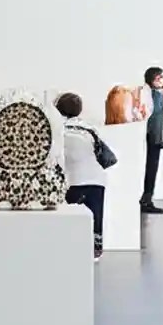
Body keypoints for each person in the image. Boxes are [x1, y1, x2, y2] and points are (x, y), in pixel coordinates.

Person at [57, 93, 107, 262]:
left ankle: (70, 250)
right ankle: (95, 251)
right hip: (96, 178)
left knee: (71, 219)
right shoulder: (89, 128)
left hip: (72, 180)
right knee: (95, 217)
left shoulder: (58, 130)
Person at [140, 66, 163, 214]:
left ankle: (147, 198)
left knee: (151, 169)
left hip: (153, 137)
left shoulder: (152, 94)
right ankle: (146, 200)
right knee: (151, 169)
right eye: (159, 78)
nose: (162, 80)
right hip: (152, 138)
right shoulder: (154, 95)